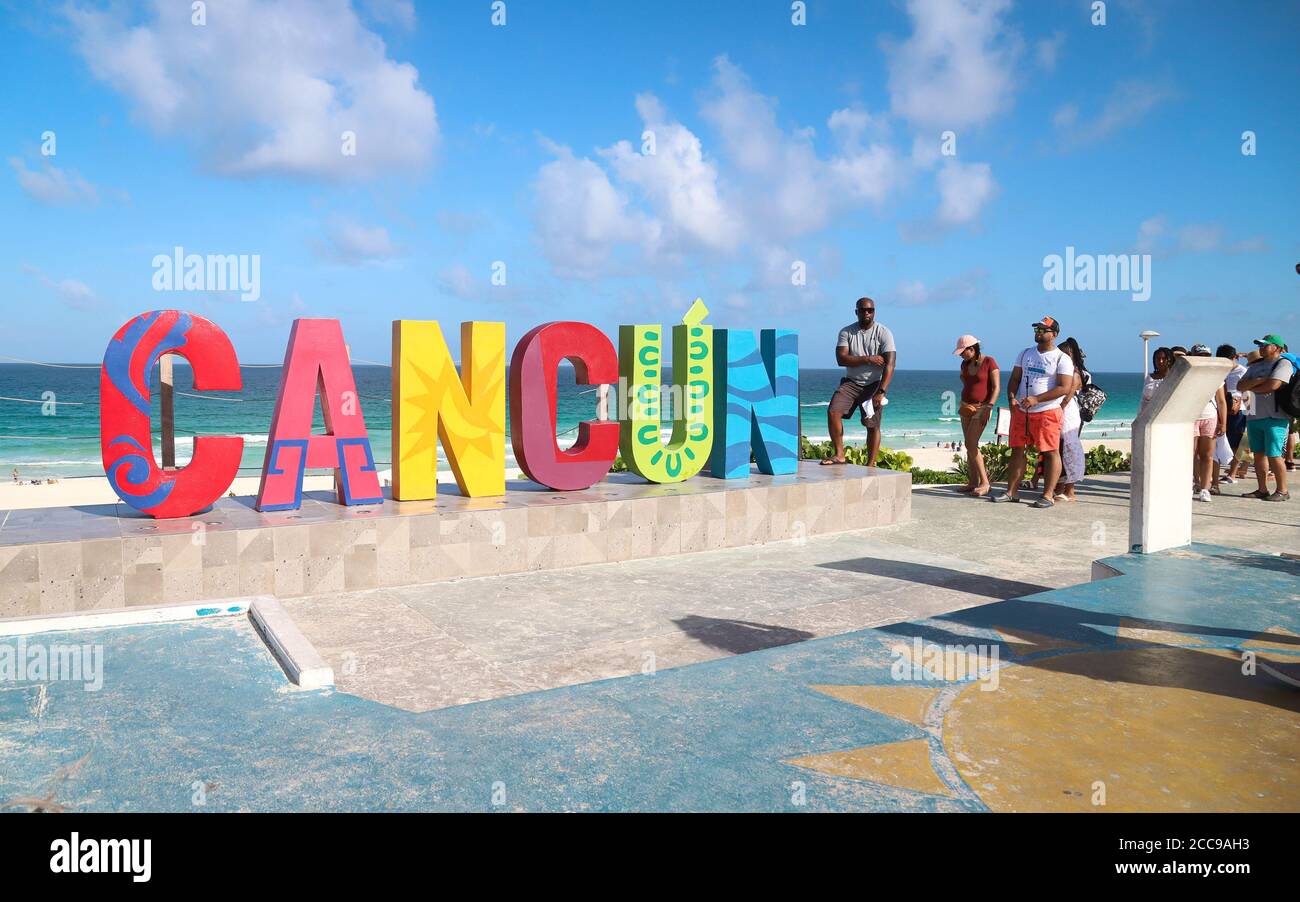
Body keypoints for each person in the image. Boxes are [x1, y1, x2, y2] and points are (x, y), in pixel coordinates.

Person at [991, 315, 1075, 508]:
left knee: (1050, 452)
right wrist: (1012, 398)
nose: (1037, 333)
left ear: (1054, 334)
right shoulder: (1025, 353)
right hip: (1022, 411)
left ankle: (1048, 495)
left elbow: (1064, 387)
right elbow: (1014, 379)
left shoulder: (1062, 359)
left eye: (1042, 330)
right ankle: (1011, 491)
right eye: (1036, 329)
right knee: (1017, 450)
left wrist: (1037, 399)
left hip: (1047, 411)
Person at [825, 296, 896, 466]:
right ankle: (840, 455)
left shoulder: (884, 332)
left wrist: (881, 391)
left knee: (872, 425)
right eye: (863, 310)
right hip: (851, 382)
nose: (867, 313)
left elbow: (890, 364)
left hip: (873, 385)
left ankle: (870, 465)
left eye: (870, 310)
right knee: (833, 411)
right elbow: (841, 359)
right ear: (856, 312)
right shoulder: (846, 332)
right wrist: (869, 359)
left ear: (874, 312)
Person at [1236, 333, 1293, 501]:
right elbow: (1240, 385)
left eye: (1265, 345)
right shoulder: (1255, 367)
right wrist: (1260, 380)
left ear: (1277, 348)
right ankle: (1262, 489)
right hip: (1254, 416)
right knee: (1259, 454)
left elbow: (1273, 385)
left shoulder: (1284, 363)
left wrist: (1253, 385)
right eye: (1260, 345)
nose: (1261, 348)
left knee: (1274, 455)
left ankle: (1282, 491)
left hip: (1275, 417)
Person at [953, 334, 999, 497]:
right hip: (966, 406)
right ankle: (972, 482)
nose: (960, 355)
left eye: (963, 352)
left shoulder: (989, 362)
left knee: (971, 443)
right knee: (969, 445)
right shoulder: (964, 364)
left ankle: (985, 483)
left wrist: (989, 406)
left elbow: (996, 388)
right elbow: (965, 381)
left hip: (983, 407)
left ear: (972, 349)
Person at [1188, 344, 1228, 502]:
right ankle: (1192, 484)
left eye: (1206, 356)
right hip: (1190, 418)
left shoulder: (1215, 376)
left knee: (1207, 455)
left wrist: (1223, 422)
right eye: (1200, 355)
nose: (1203, 358)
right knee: (1190, 454)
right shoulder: (1187, 374)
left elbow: (1222, 401)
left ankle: (1205, 488)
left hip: (1210, 417)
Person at [1054, 336, 1089, 502]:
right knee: (1060, 449)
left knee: (1069, 448)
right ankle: (1061, 487)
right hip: (1064, 411)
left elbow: (1067, 398)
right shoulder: (1067, 372)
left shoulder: (1074, 374)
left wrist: (1058, 410)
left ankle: (1070, 490)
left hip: (1068, 413)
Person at [1216, 344, 1248, 486]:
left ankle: (1232, 473)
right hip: (1222, 409)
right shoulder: (1220, 371)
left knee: (1237, 444)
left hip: (1239, 411)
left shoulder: (1242, 371)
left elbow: (1249, 394)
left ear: (1234, 358)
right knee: (1223, 442)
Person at [1139, 347, 1173, 412]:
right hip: (1146, 417)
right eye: (1158, 358)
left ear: (1169, 360)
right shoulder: (1149, 378)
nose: (1160, 361)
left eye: (1163, 358)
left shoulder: (1172, 377)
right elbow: (1143, 400)